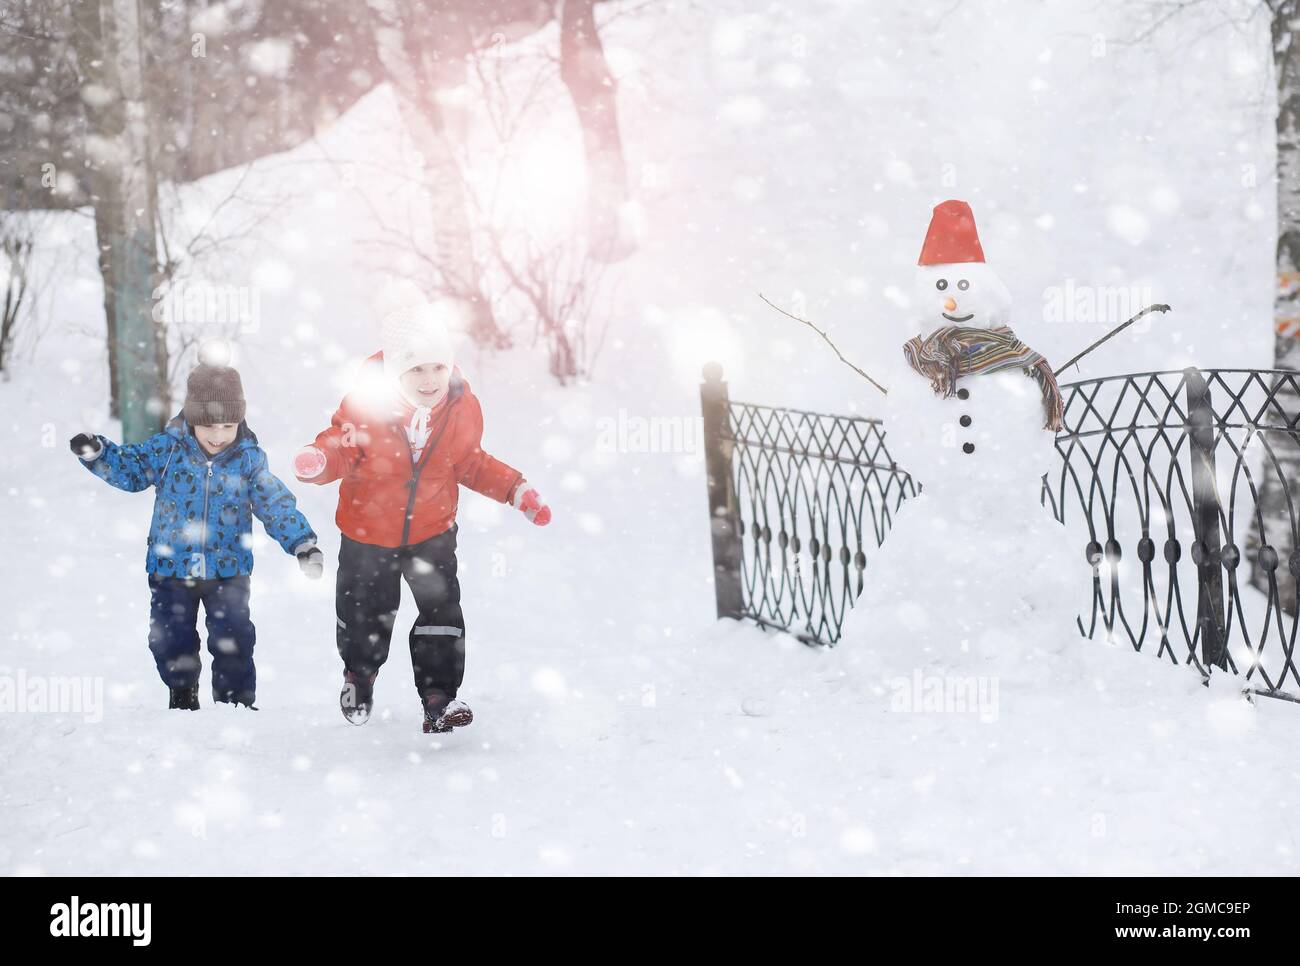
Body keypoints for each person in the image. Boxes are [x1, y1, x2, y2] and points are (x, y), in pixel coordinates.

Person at [295, 286, 550, 733]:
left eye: (438, 367)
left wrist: (516, 489)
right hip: (367, 534)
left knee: (441, 613)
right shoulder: (366, 408)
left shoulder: (460, 408)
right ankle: (360, 676)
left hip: (432, 532)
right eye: (416, 368)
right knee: (363, 612)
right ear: (396, 370)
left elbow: (471, 462)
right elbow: (341, 445)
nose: (430, 379)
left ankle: (439, 699)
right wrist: (320, 460)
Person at [71, 360, 323, 710]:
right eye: (208, 426)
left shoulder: (248, 459)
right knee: (169, 639)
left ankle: (234, 706)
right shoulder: (168, 449)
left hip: (228, 570)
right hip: (170, 568)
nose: (218, 435)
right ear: (191, 419)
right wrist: (99, 453)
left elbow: (274, 502)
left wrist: (302, 544)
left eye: (227, 426)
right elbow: (132, 468)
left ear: (240, 421)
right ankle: (182, 693)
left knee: (234, 639)